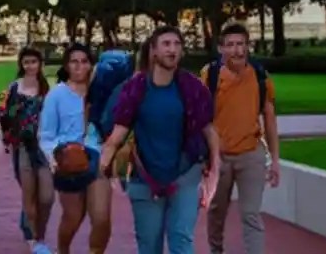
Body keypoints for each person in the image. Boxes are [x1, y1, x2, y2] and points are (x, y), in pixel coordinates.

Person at [100, 26, 221, 254]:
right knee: (149, 246)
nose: (172, 49)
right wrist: (101, 164)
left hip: (185, 174)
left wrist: (214, 170)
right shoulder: (135, 88)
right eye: (166, 44)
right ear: (154, 51)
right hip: (146, 178)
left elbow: (210, 132)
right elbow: (117, 135)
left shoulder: (193, 88)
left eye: (177, 44)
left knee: (181, 240)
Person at [201, 22, 280, 254]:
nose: (237, 50)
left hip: (251, 154)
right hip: (220, 157)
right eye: (231, 45)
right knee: (216, 212)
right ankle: (216, 250)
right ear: (221, 48)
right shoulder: (210, 75)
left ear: (248, 47)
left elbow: (270, 119)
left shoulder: (260, 76)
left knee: (251, 214)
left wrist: (274, 159)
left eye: (241, 45)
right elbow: (200, 117)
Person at [39, 43, 108, 254]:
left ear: (91, 65)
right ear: (67, 66)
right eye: (74, 62)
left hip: (97, 157)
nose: (79, 66)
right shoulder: (56, 95)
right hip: (69, 161)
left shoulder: (100, 94)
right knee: (73, 217)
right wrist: (53, 159)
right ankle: (63, 249)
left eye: (84, 61)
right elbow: (46, 134)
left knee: (101, 217)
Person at [0, 47, 54, 254]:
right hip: (22, 146)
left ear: (40, 64)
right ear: (21, 65)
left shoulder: (48, 88)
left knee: (46, 196)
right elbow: (7, 113)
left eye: (34, 61)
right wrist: (9, 135)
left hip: (44, 148)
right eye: (26, 62)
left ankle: (37, 233)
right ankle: (33, 238)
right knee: (29, 194)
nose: (30, 66)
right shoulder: (15, 88)